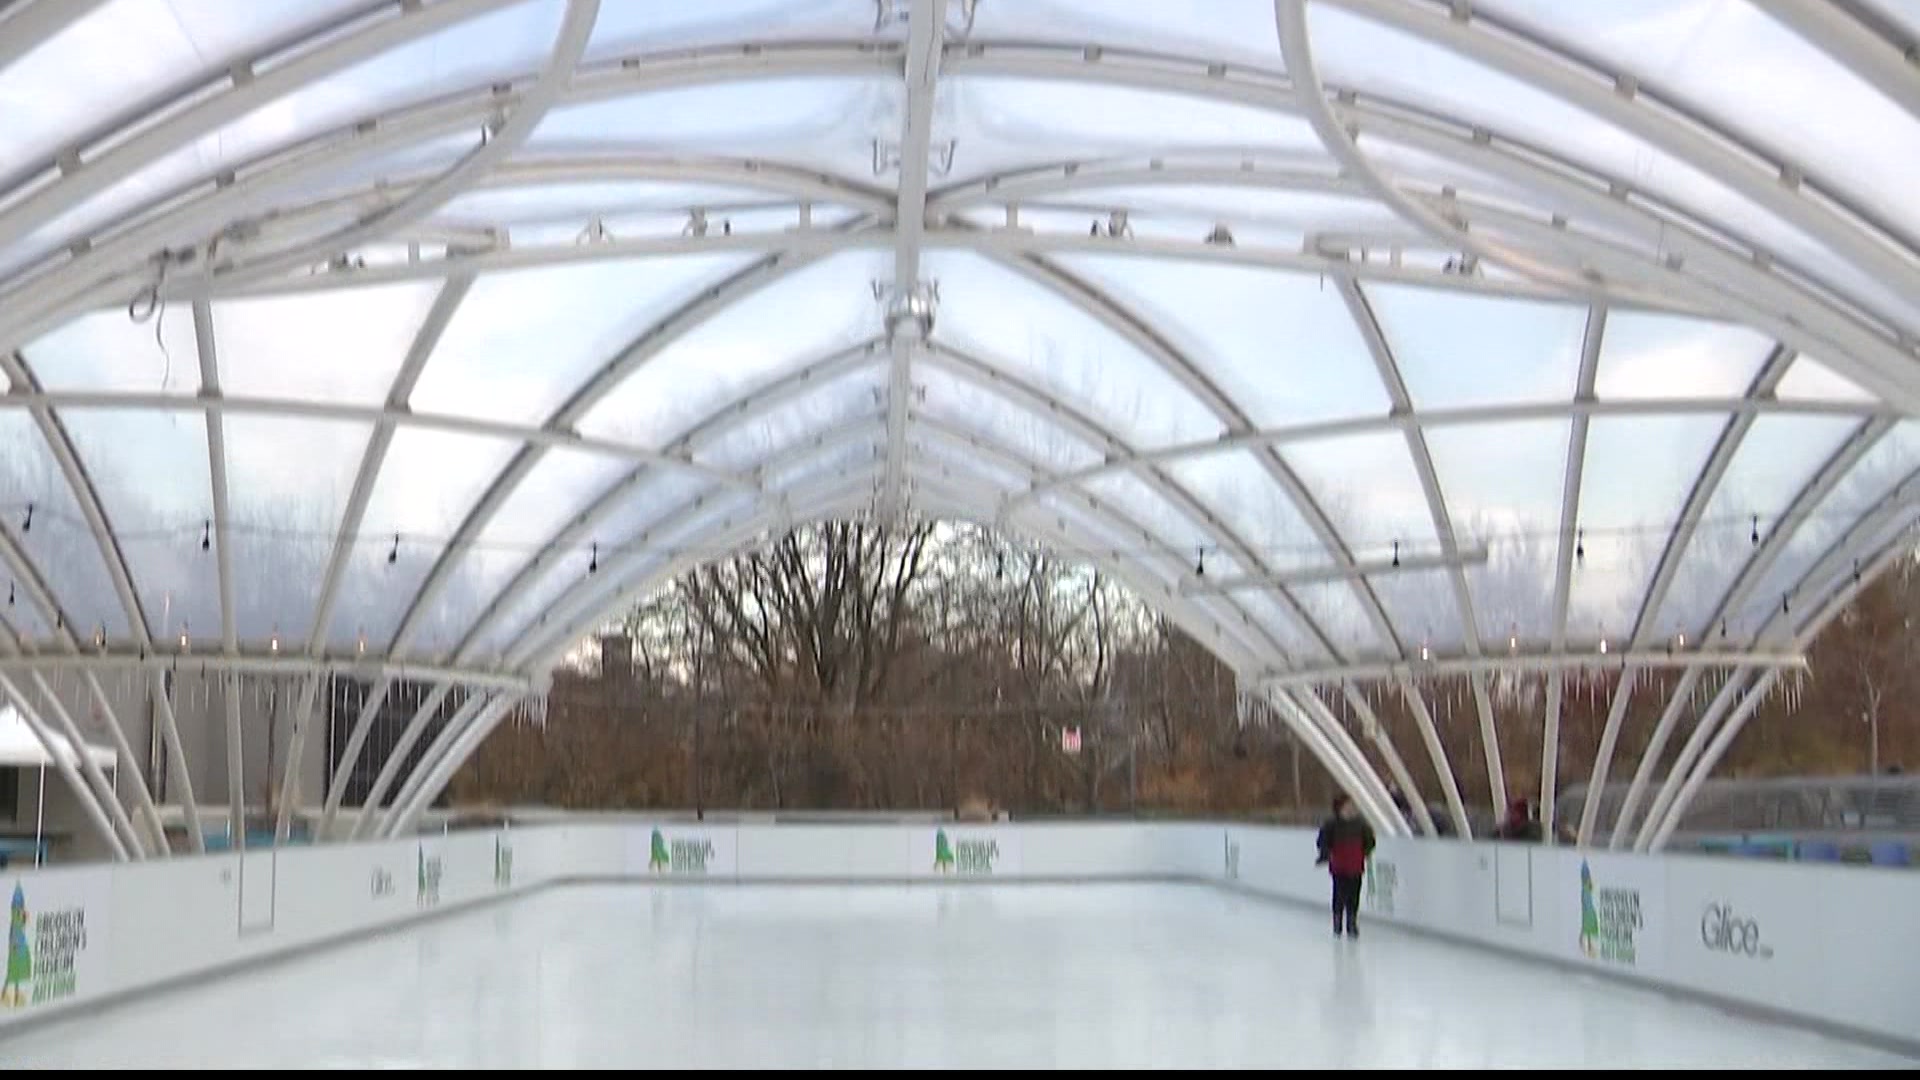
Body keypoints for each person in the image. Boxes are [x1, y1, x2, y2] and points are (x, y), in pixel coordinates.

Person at [1315, 794, 1375, 938]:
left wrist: (1363, 853)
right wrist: (1326, 853)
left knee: (1354, 896)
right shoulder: (1331, 824)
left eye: (1352, 806)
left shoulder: (1361, 824)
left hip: (1355, 866)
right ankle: (1337, 923)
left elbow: (1370, 841)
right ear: (1340, 808)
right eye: (1347, 806)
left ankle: (1351, 923)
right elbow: (1322, 841)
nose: (1351, 809)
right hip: (1339, 866)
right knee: (1339, 895)